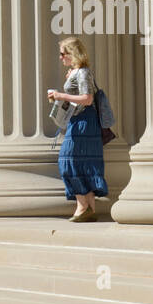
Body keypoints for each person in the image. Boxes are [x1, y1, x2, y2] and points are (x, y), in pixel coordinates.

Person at [47, 36, 108, 222]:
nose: (60, 57)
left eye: (63, 53)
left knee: (68, 161)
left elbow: (87, 99)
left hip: (84, 122)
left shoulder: (83, 72)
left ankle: (82, 205)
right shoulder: (76, 72)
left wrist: (61, 95)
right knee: (82, 162)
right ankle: (88, 208)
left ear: (73, 53)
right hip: (78, 120)